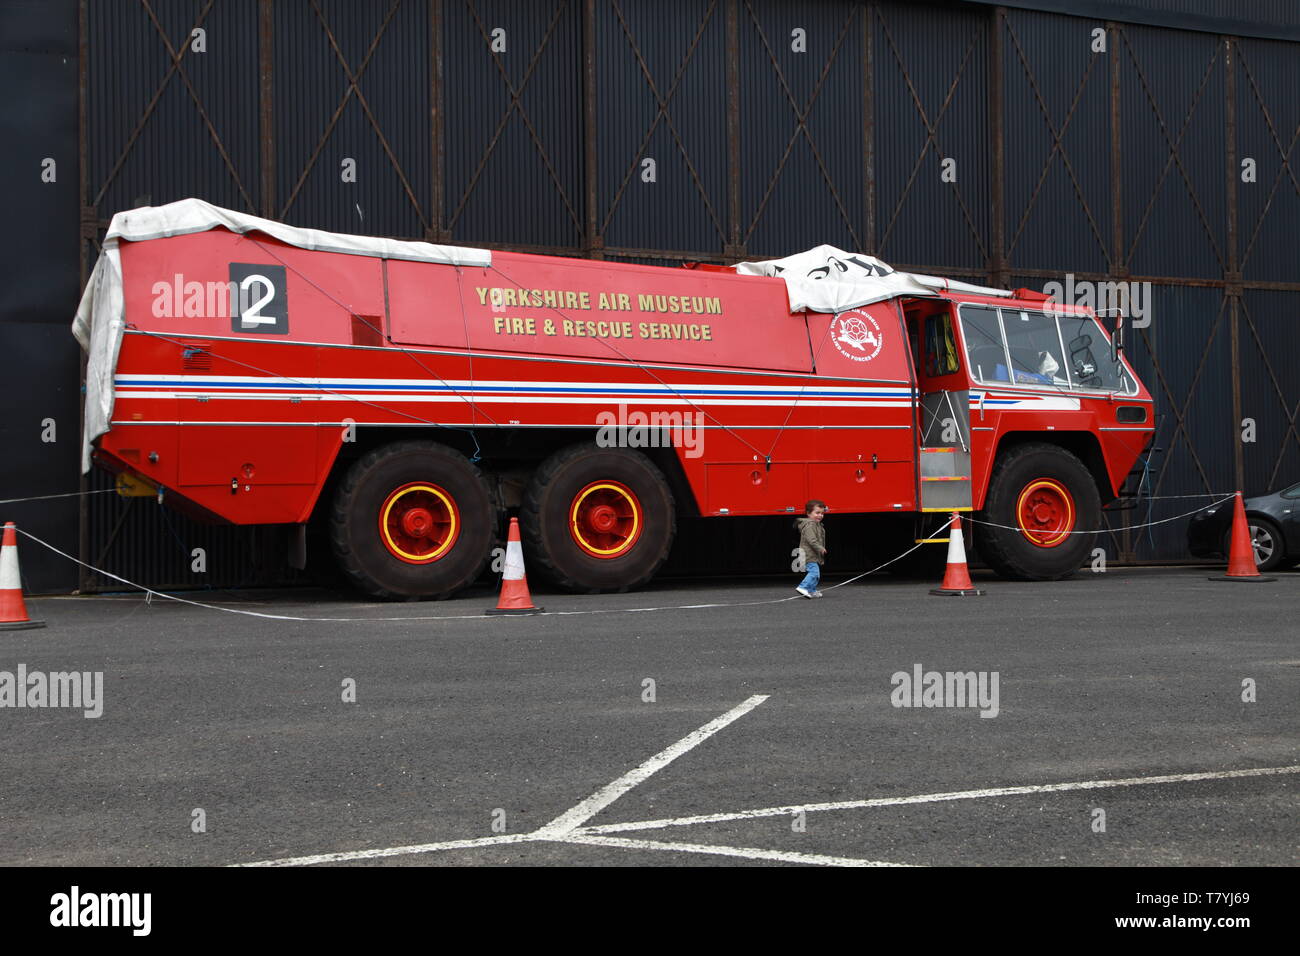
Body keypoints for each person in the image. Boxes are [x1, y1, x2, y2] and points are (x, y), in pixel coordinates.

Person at [794, 499, 828, 598]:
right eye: (817, 513)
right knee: (814, 572)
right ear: (808, 513)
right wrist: (820, 548)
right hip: (808, 554)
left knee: (816, 574)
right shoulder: (810, 525)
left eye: (822, 513)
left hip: (813, 554)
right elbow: (811, 540)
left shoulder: (817, 525)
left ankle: (811, 590)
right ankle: (803, 587)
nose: (820, 515)